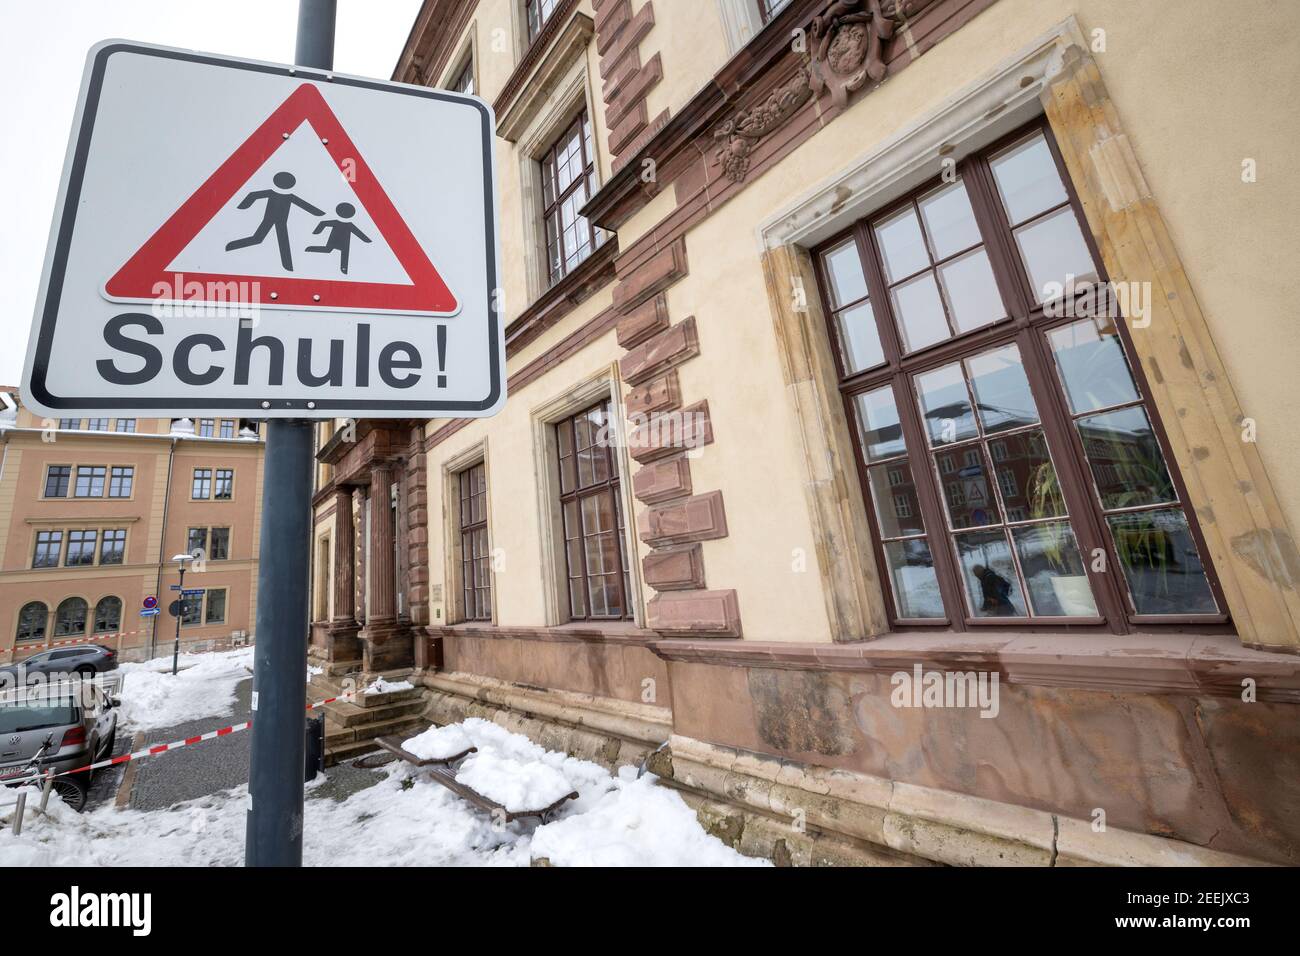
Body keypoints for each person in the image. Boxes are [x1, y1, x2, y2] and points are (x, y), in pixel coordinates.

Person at [224, 171, 324, 272]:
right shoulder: (279, 195)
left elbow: (306, 206)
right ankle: (232, 246)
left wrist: (319, 213)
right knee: (261, 239)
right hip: (269, 220)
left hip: (280, 222)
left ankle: (288, 266)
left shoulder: (288, 196)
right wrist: (243, 206)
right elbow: (253, 195)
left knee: (278, 241)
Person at [305, 202, 371, 275]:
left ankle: (344, 269)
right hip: (335, 241)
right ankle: (310, 249)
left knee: (337, 253)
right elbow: (323, 223)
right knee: (329, 250)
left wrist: (317, 232)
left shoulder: (346, 225)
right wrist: (317, 232)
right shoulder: (348, 225)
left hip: (342, 243)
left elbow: (323, 223)